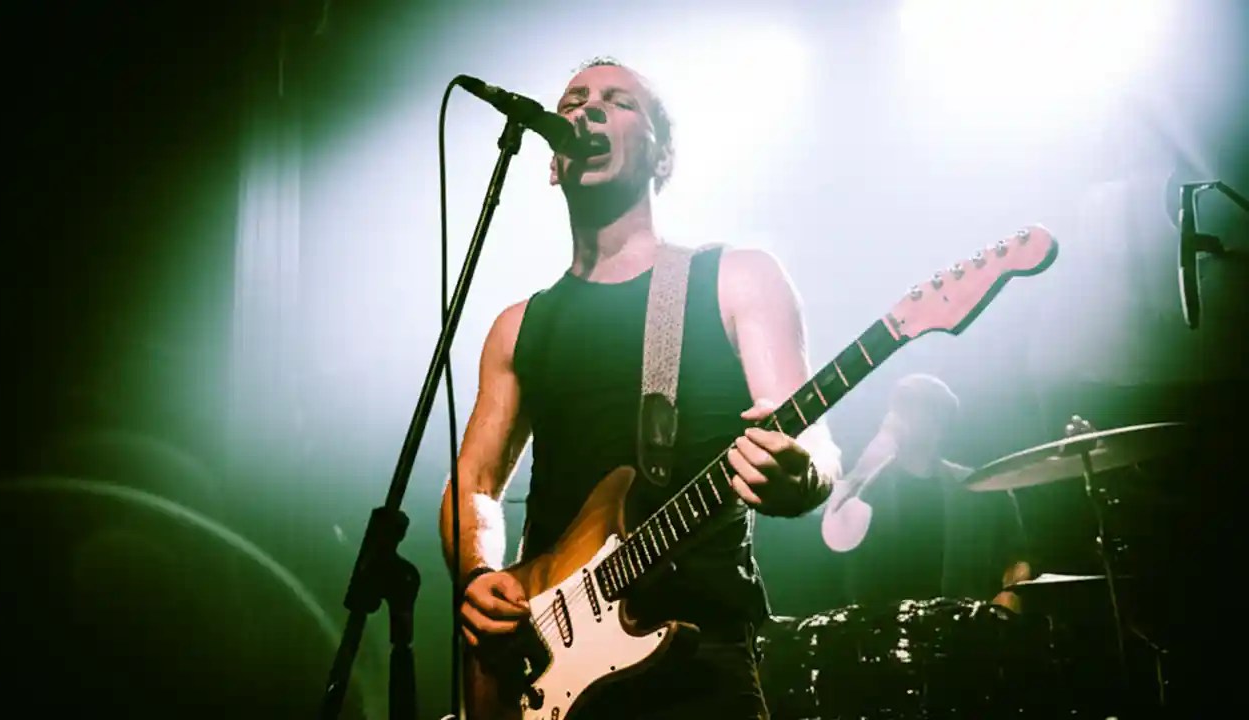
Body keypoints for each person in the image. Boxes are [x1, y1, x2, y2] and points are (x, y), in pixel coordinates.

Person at [438, 56, 842, 719]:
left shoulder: (735, 277)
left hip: (694, 657)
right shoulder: (520, 326)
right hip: (546, 659)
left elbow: (816, 448)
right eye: (574, 99)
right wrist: (481, 575)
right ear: (549, 160)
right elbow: (474, 484)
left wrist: (800, 473)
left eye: (618, 101)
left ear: (663, 157)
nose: (588, 109)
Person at [820, 373, 1029, 610]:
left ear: (939, 422)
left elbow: (1018, 557)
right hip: (888, 634)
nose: (898, 418)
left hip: (967, 632)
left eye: (911, 407)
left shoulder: (982, 488)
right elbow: (841, 564)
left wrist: (1010, 595)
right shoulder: (866, 492)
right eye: (898, 407)